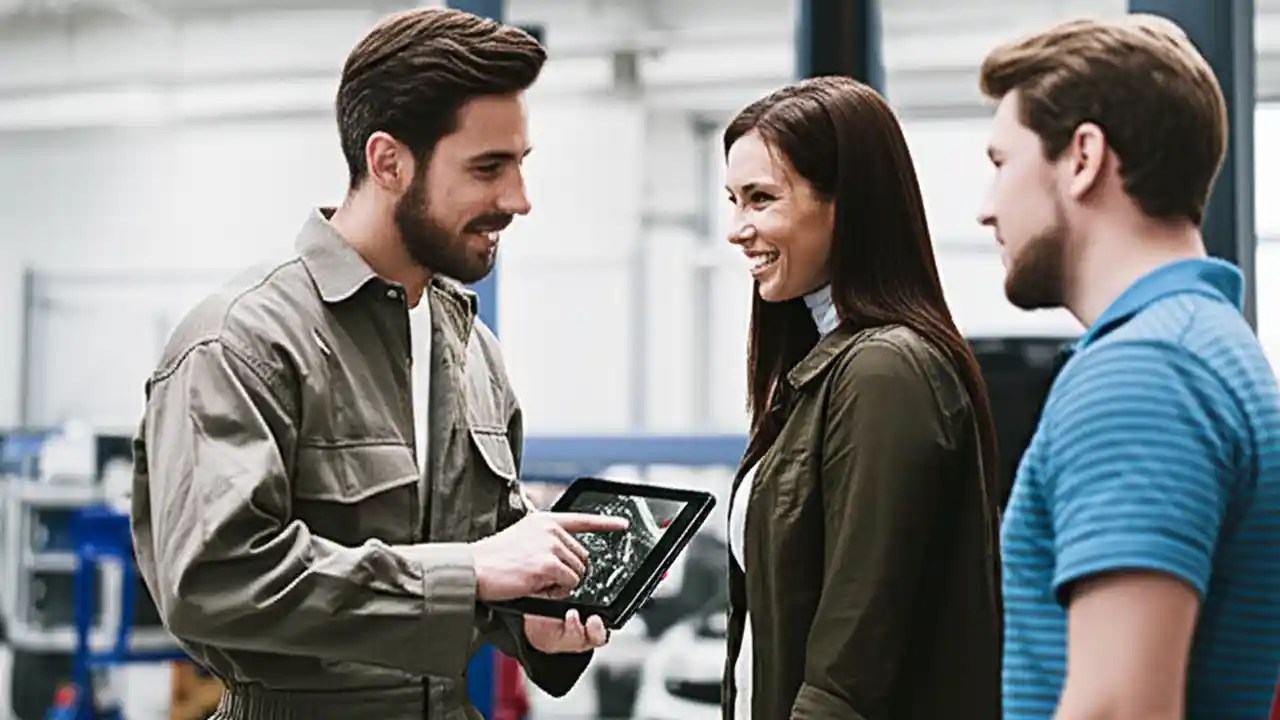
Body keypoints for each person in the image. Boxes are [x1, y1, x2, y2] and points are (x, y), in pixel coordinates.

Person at [129, 8, 628, 719]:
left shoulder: (471, 349)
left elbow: (487, 569)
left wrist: (536, 624)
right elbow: (214, 579)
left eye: (521, 164)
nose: (518, 199)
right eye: (489, 168)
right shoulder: (244, 342)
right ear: (387, 161)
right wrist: (470, 574)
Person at [979, 16, 1280, 719]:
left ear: (1082, 156)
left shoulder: (1144, 373)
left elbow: (1119, 709)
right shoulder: (1209, 346)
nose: (986, 208)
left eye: (1000, 163)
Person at [720, 75, 1004, 719]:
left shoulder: (883, 373)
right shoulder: (822, 368)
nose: (738, 229)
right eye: (733, 200)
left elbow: (851, 671)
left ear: (846, 204)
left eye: (761, 199)